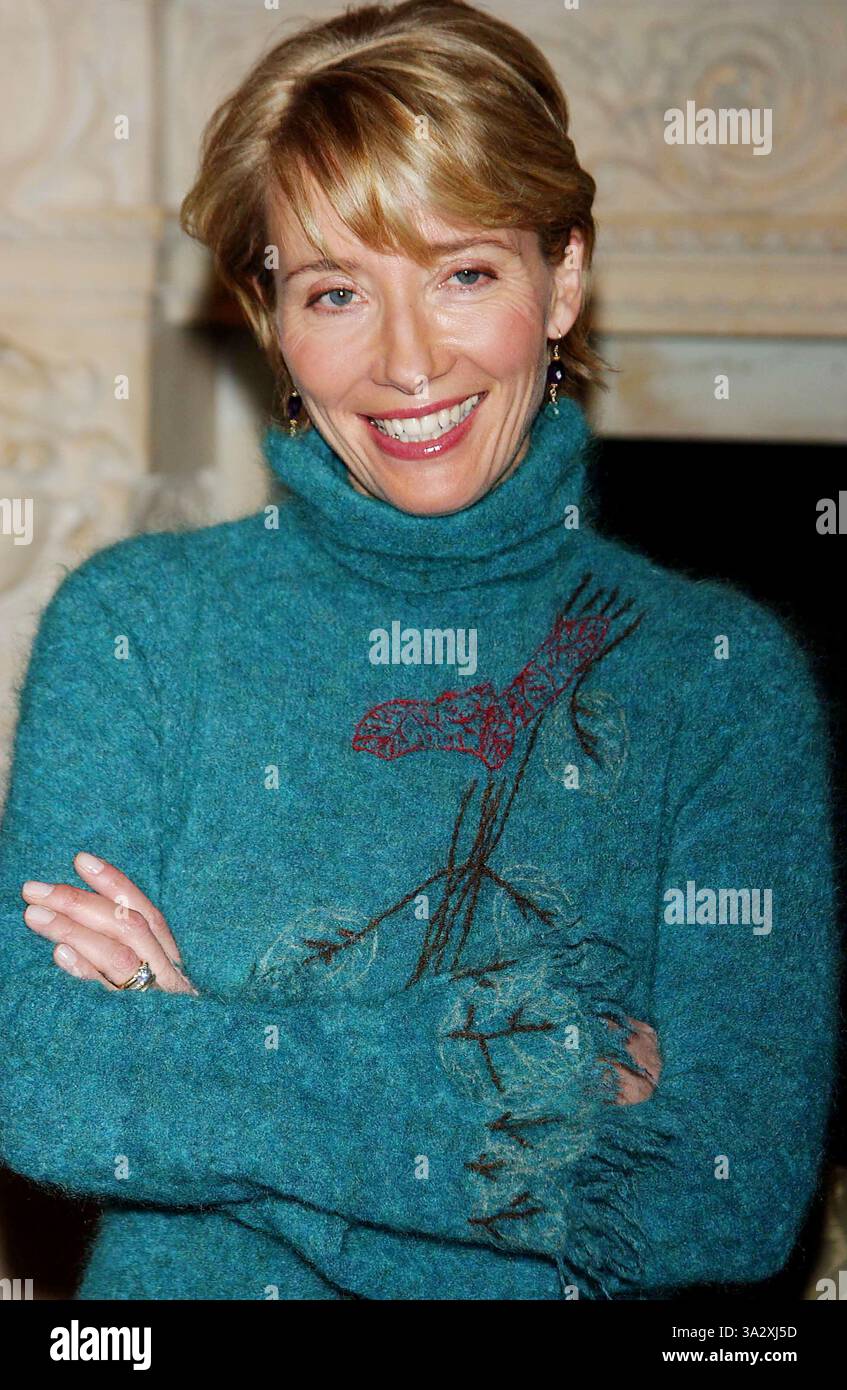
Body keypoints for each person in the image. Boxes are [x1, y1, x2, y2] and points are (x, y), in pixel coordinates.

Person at [0, 0, 838, 1301]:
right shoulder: (138, 631)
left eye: (464, 273)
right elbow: (48, 1086)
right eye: (338, 291)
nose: (405, 361)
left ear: (563, 277)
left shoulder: (721, 678)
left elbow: (728, 1193)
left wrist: (198, 1046)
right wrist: (553, 1059)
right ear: (269, 315)